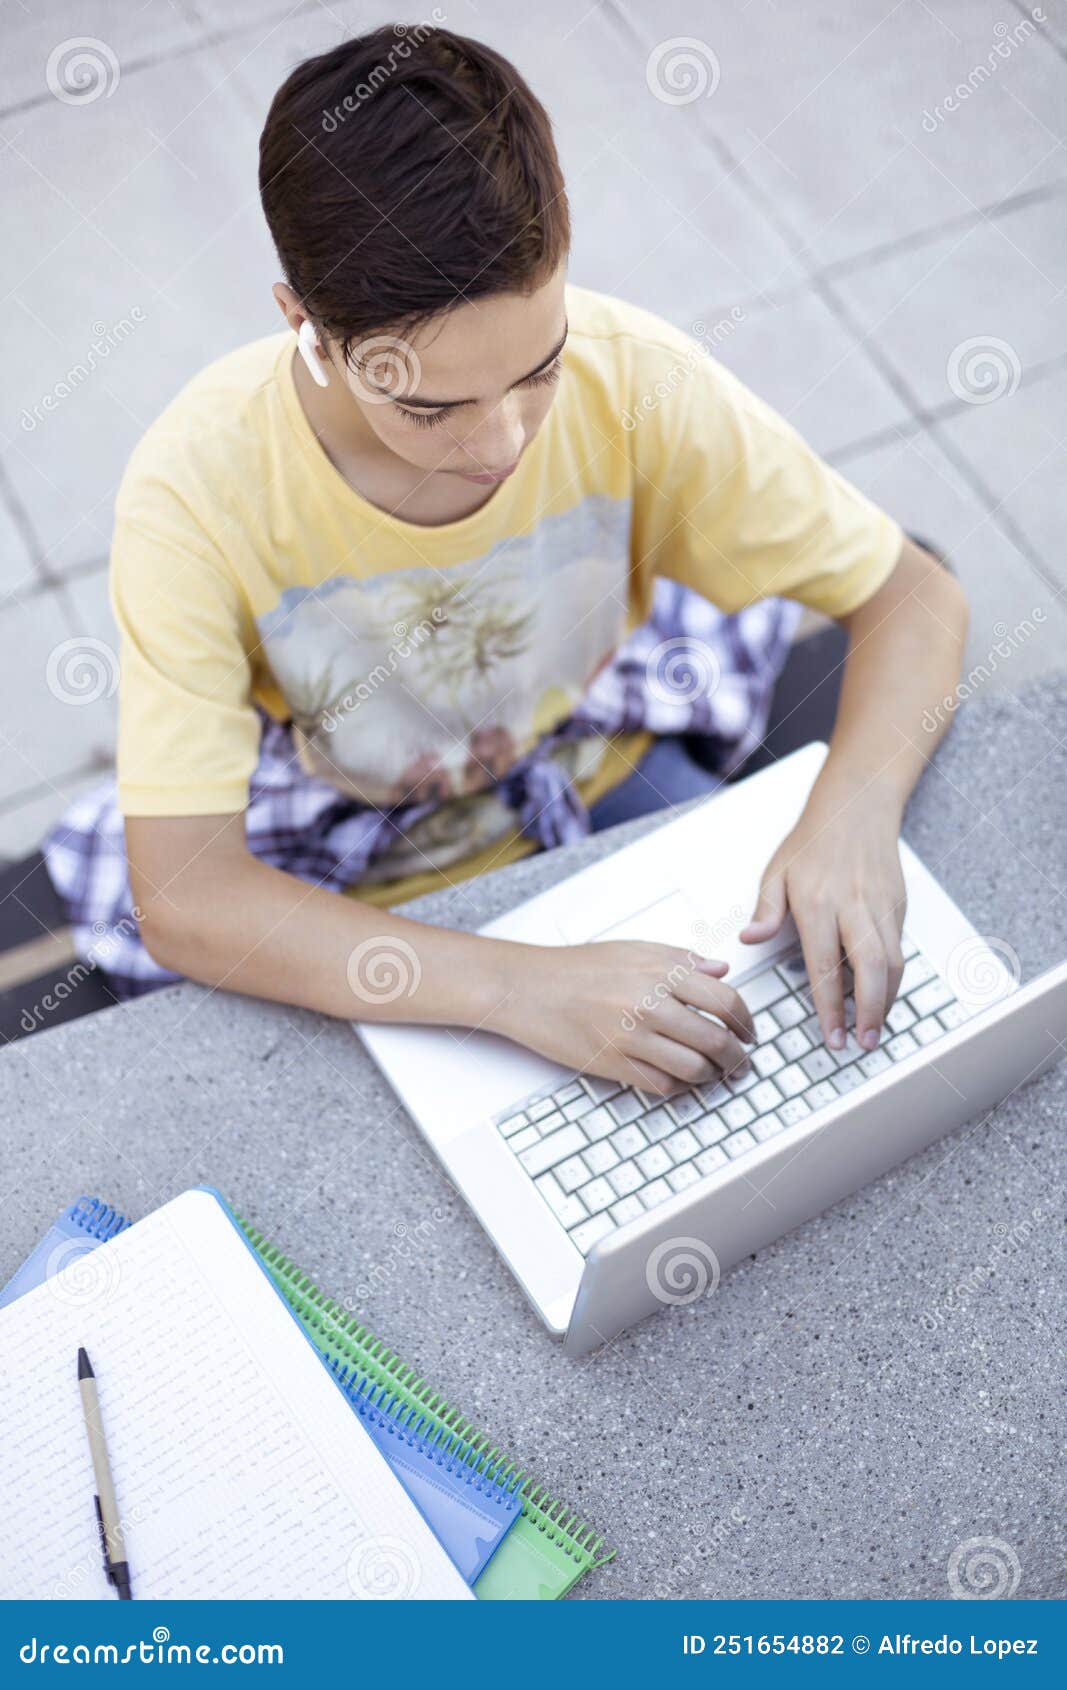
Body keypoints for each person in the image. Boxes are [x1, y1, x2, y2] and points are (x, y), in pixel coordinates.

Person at [34, 26, 966, 1093]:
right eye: (430, 407)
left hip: (585, 751)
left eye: (537, 370)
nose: (502, 445)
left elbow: (913, 594)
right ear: (304, 325)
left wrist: (851, 811)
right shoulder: (192, 492)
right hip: (357, 850)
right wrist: (518, 991)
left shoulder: (636, 377)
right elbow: (189, 897)